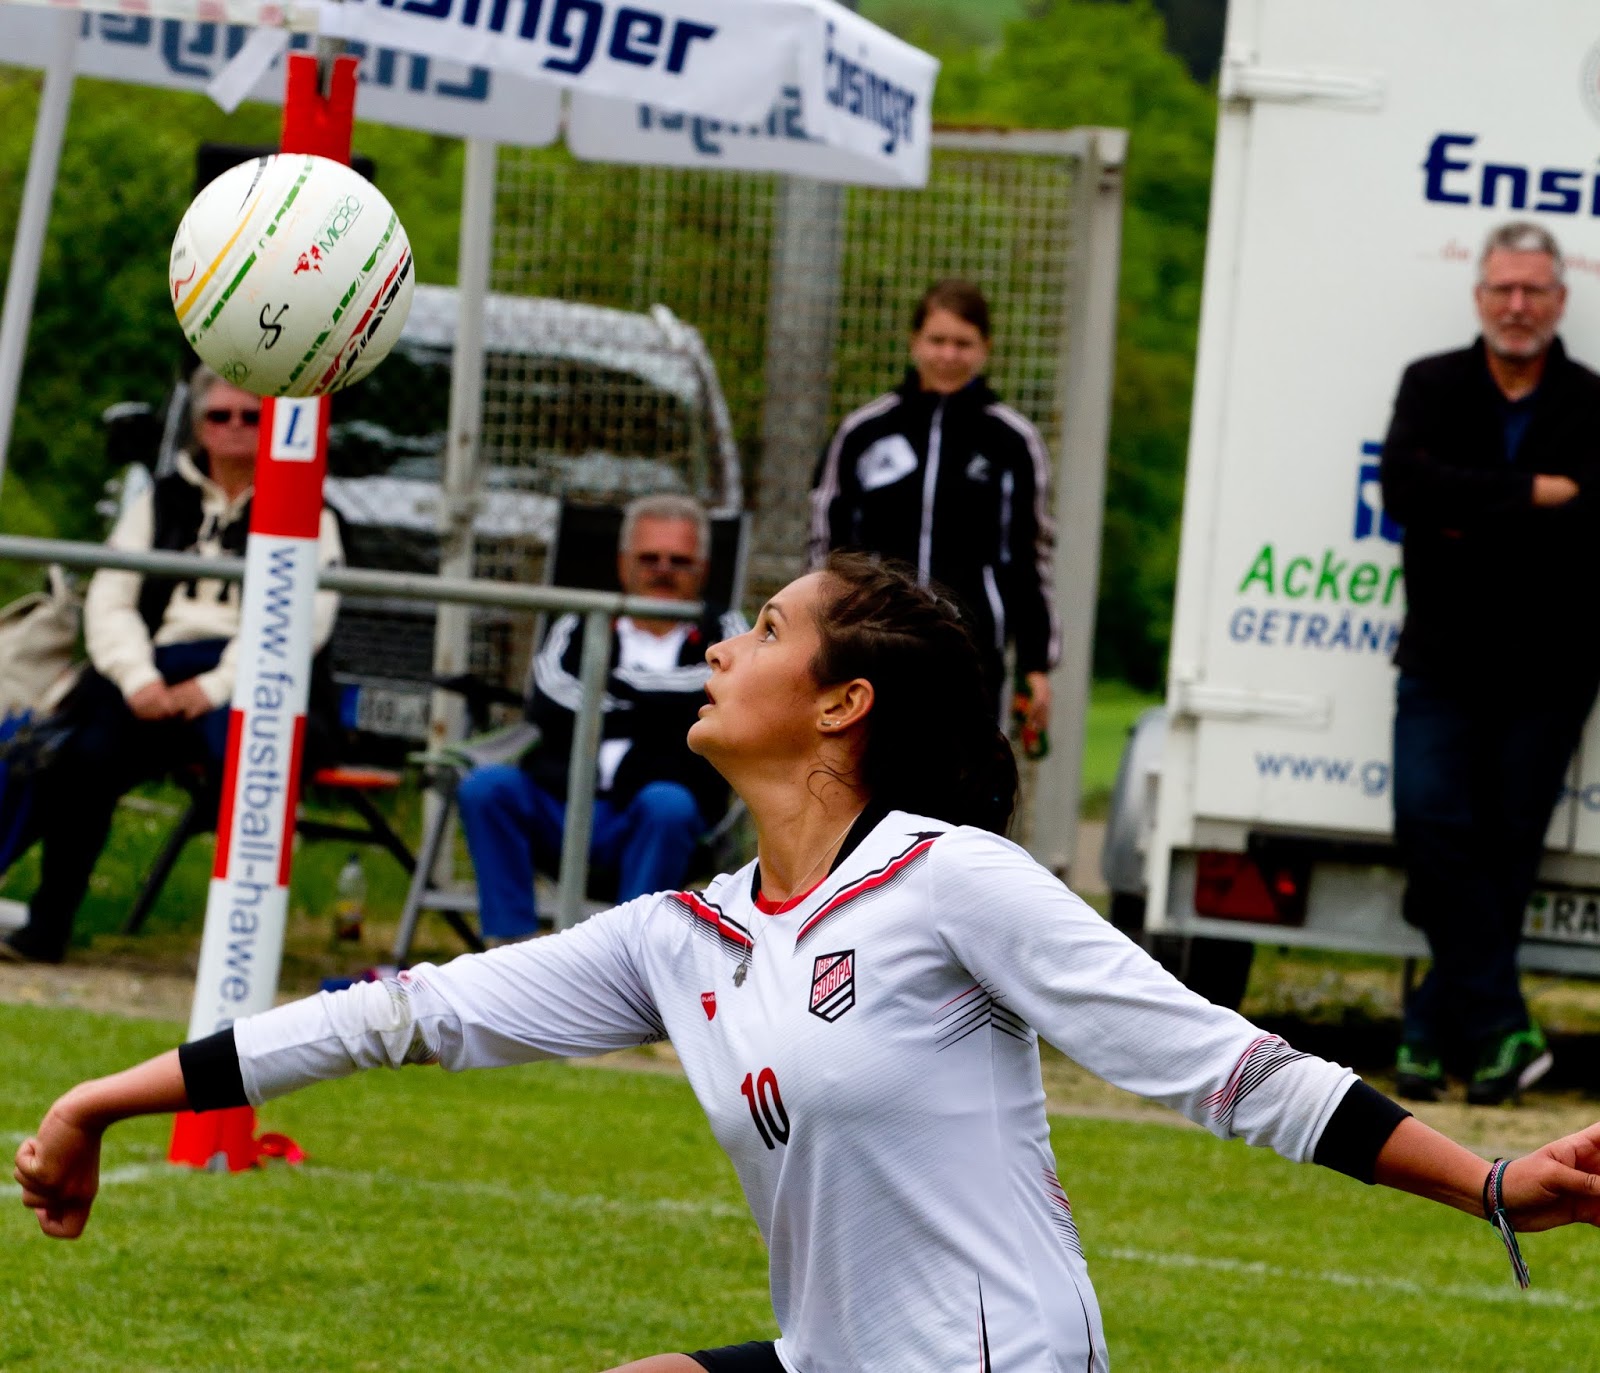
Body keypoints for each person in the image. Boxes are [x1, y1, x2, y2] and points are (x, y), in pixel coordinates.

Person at [16, 553, 1600, 1372]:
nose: (720, 643)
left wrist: (1488, 1183)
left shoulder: (954, 882)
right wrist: (107, 1094)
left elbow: (1227, 1067)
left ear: (842, 704)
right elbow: (404, 1013)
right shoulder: (682, 935)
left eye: (763, 625)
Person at [0, 366, 344, 965]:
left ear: (275, 429)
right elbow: (110, 598)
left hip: (255, 676)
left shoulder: (307, 508)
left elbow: (303, 621)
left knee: (245, 755)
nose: (235, 429)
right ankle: (46, 926)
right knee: (80, 756)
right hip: (154, 670)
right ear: (198, 427)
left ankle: (237, 952)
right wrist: (139, 679)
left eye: (251, 417)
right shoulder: (158, 500)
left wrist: (215, 687)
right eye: (220, 416)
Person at [1380, 221, 1600, 1106]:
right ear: (1479, 296)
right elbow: (1405, 492)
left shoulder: (1593, 401)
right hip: (1441, 658)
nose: (1517, 306)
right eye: (1503, 289)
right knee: (1431, 827)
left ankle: (1431, 1037)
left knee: (1505, 852)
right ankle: (1501, 1026)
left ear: (1561, 300)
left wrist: (1468, 505)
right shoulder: (1430, 384)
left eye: (1533, 291)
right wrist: (1532, 497)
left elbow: (1593, 524)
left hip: (1551, 669)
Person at [455, 493, 745, 942]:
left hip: (654, 817)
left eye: (679, 560)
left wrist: (608, 688)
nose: (663, 569)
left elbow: (724, 696)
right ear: (623, 563)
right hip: (563, 804)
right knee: (487, 788)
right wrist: (660, 710)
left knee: (667, 805)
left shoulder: (725, 632)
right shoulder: (579, 624)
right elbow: (548, 701)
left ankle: (624, 962)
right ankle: (510, 949)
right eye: (649, 557)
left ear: (703, 570)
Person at [807, 278, 1059, 735]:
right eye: (937, 340)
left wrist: (1037, 663)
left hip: (974, 646)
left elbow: (1031, 553)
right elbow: (826, 537)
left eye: (963, 343)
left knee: (967, 784)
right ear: (914, 342)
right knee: (875, 771)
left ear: (985, 348)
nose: (948, 355)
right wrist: (824, 625)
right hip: (875, 639)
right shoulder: (864, 432)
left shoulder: (1012, 442)